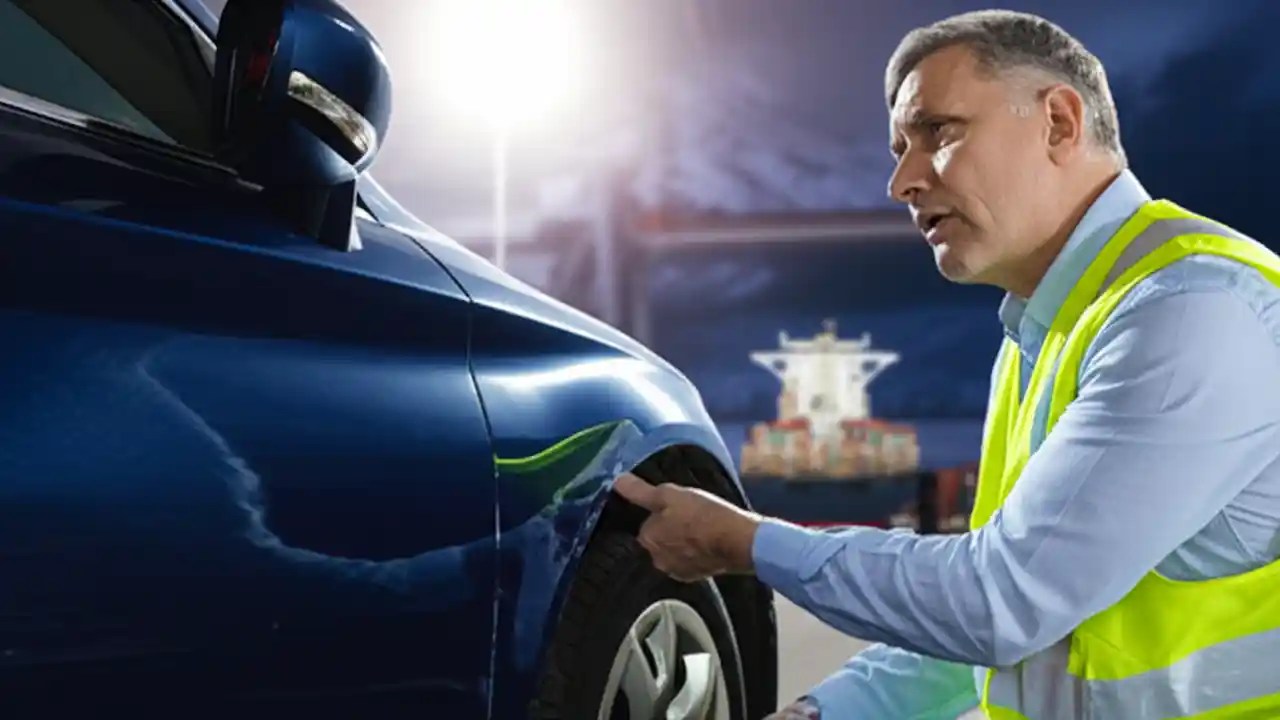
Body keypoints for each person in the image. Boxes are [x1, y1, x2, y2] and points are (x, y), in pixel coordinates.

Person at [613, 8, 1280, 719]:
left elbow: (998, 602)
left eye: (938, 132)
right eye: (900, 148)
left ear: (1059, 122)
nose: (901, 181)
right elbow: (1006, 624)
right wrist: (823, 713)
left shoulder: (1189, 313)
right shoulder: (1047, 336)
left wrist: (746, 543)